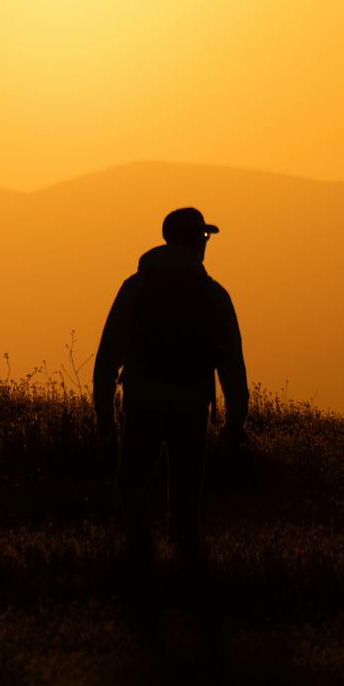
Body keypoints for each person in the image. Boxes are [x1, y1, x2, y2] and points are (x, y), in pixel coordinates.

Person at [92, 205, 248, 571]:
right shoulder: (213, 295)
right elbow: (231, 363)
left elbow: (108, 354)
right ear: (197, 242)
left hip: (143, 402)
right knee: (185, 494)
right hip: (191, 405)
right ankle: (186, 566)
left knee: (131, 482)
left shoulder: (135, 287)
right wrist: (236, 420)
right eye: (205, 237)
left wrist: (104, 416)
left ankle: (140, 556)